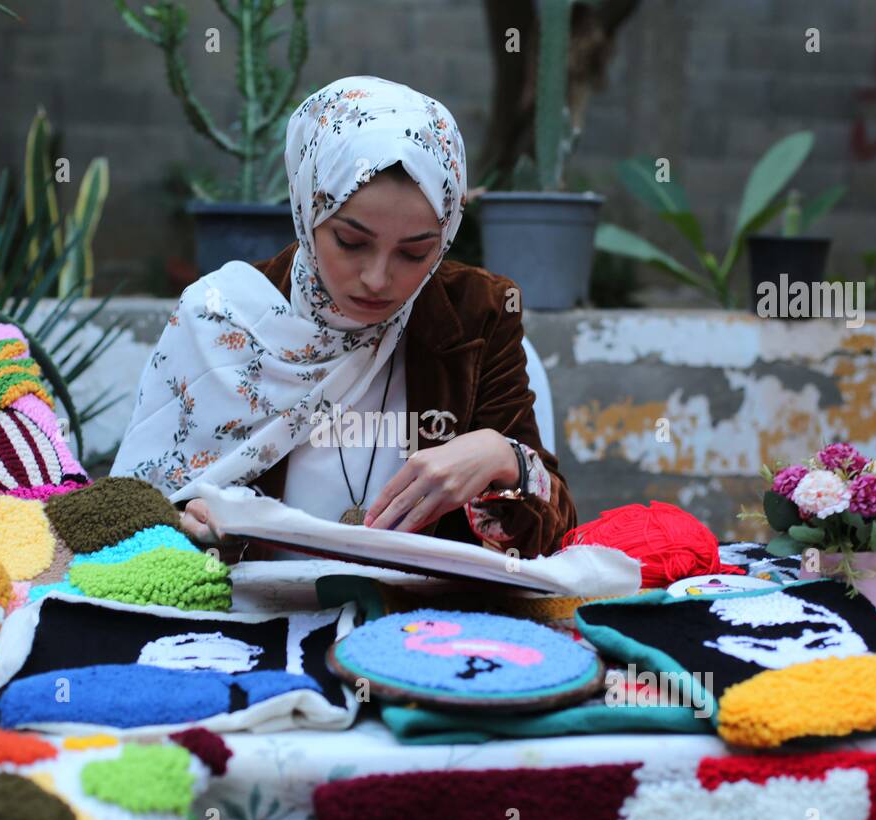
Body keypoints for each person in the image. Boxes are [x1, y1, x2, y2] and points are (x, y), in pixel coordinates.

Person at [111, 75, 577, 561]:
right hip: (246, 621)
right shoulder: (222, 319)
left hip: (416, 625)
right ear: (308, 207)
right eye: (351, 242)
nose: (378, 279)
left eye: (415, 252)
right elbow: (132, 512)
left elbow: (552, 536)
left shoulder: (476, 317)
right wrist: (184, 523)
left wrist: (505, 461)